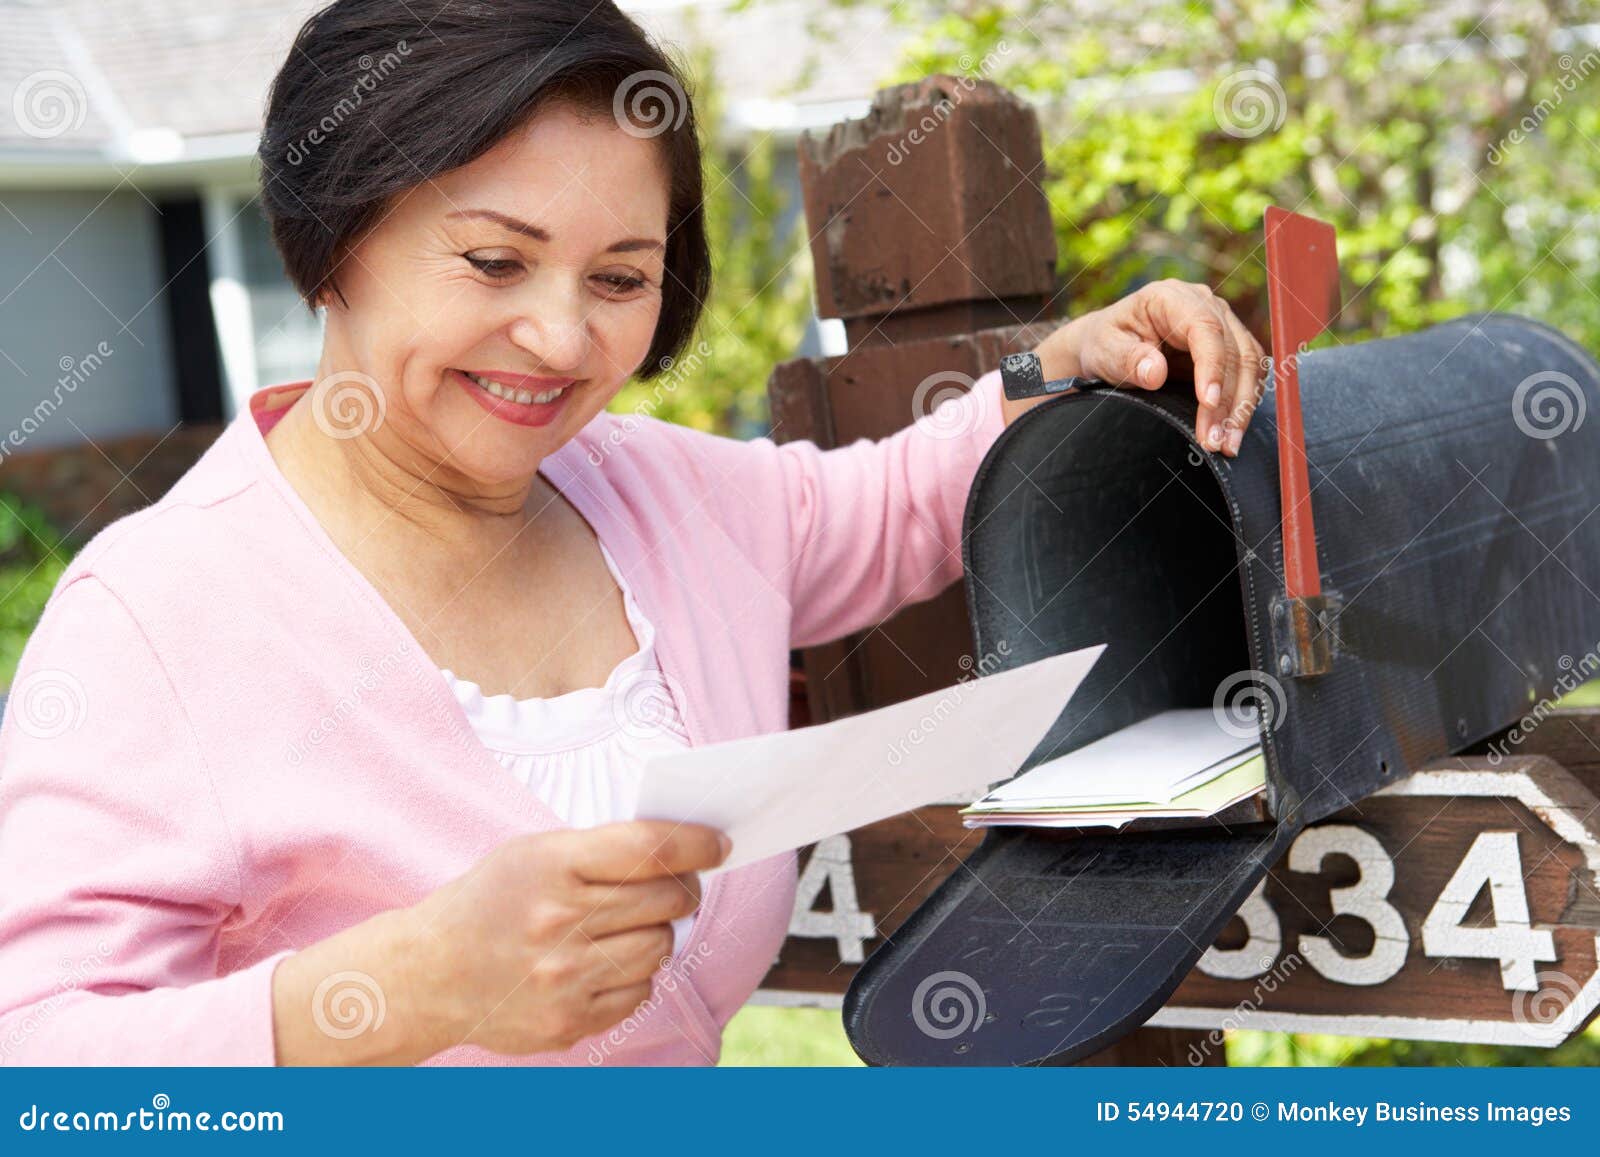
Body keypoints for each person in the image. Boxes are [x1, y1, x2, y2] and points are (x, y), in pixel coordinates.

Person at [0, 0, 1262, 1067]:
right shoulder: (159, 614)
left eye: (616, 277)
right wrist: (405, 983)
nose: (560, 340)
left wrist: (1068, 365)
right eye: (494, 261)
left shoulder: (656, 493)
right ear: (334, 241)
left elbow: (887, 508)